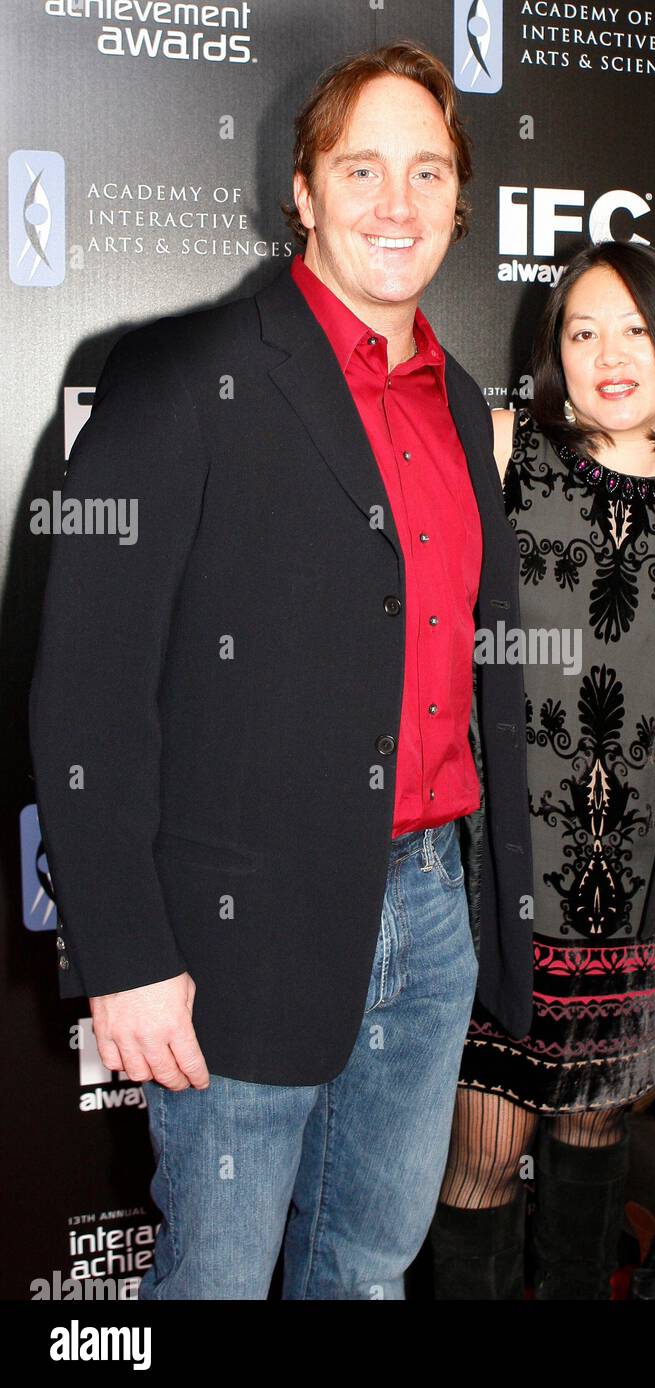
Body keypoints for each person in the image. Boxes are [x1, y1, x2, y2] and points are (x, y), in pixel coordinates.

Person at [28, 42, 534, 1300]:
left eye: (427, 173)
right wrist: (128, 956)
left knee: (365, 1265)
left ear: (460, 205)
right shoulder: (172, 377)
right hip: (237, 927)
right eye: (361, 167)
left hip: (429, 906)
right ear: (301, 191)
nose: (396, 203)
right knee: (216, 1276)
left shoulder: (465, 408)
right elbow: (85, 694)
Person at [429, 240, 655, 1299]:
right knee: (480, 1159)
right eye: (582, 331)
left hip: (637, 898)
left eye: (636, 330)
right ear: (552, 353)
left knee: (596, 1132)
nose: (609, 355)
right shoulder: (506, 450)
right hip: (500, 893)